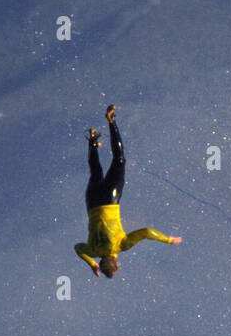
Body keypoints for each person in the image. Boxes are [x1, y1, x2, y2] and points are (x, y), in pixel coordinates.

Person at [75, 104, 181, 278]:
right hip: (92, 201)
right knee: (95, 171)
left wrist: (168, 240)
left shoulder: (121, 245)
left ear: (116, 262)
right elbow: (77, 248)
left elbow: (147, 232)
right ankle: (92, 141)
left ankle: (111, 120)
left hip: (109, 199)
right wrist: (91, 263)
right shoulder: (92, 250)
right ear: (101, 262)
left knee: (119, 160)